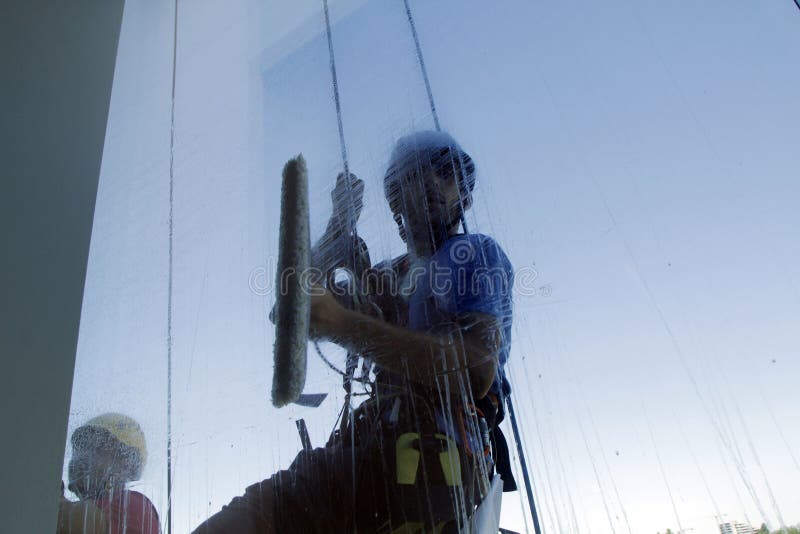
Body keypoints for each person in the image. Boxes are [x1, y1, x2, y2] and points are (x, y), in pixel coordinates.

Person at [193, 130, 514, 533]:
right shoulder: (390, 275)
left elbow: (475, 369)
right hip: (375, 447)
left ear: (464, 198)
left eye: (447, 174)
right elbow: (288, 310)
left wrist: (343, 324)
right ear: (395, 199)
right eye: (417, 174)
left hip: (431, 454)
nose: (434, 182)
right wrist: (337, 227)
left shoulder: (471, 254)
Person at [58, 413, 161, 534]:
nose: (76, 463)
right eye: (78, 451)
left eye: (92, 448)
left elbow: (66, 520)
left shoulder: (135, 506)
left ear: (126, 463)